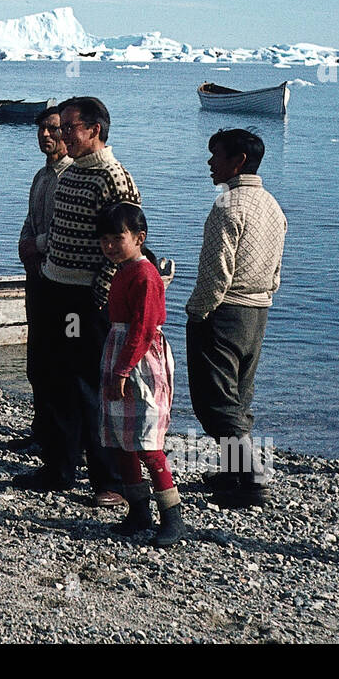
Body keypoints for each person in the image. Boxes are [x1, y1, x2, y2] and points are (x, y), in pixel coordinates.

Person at [14, 96, 135, 508]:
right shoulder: (70, 174)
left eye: (69, 127)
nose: (62, 134)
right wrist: (38, 251)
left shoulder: (113, 178)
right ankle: (59, 468)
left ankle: (110, 480)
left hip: (85, 299)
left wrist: (101, 296)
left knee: (89, 386)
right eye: (60, 127)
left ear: (94, 130)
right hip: (55, 289)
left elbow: (124, 246)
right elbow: (65, 230)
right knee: (57, 380)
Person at [185, 128, 286, 508]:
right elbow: (275, 269)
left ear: (237, 161)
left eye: (216, 155)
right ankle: (233, 471)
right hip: (258, 309)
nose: (210, 162)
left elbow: (216, 272)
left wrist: (197, 311)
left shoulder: (227, 205)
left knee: (216, 399)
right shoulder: (272, 205)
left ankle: (251, 477)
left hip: (225, 308)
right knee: (239, 393)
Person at [96, 202, 183, 546]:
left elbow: (144, 330)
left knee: (147, 441)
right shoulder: (122, 270)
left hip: (140, 362)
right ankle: (138, 511)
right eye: (104, 239)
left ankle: (172, 517)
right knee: (122, 439)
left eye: (117, 238)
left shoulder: (146, 276)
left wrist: (122, 369)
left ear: (139, 237)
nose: (109, 246)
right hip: (119, 353)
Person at [15, 104, 70, 453]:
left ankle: (61, 436)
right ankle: (42, 429)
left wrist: (34, 246)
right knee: (37, 359)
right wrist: (26, 249)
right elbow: (31, 222)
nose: (45, 135)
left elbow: (64, 232)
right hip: (37, 278)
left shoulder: (71, 176)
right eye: (41, 129)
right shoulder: (41, 176)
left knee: (61, 360)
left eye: (53, 129)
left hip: (61, 281)